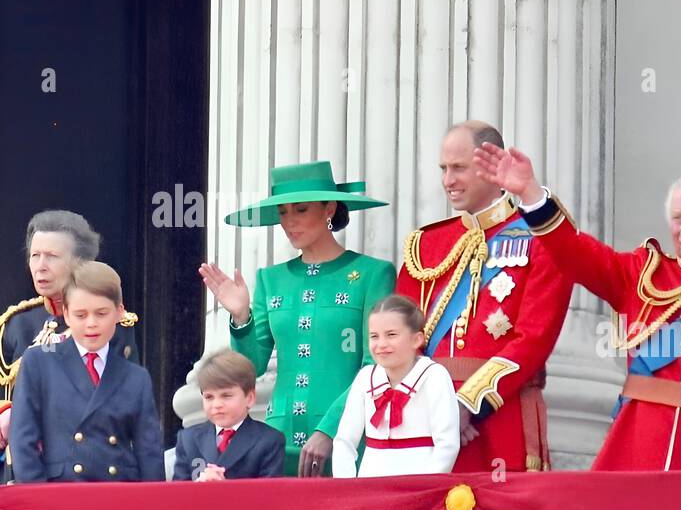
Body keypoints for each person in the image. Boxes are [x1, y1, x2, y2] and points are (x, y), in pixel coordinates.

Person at [474, 142, 681, 470]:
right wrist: (530, 194)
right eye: (677, 218)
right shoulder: (642, 272)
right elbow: (575, 252)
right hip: (634, 452)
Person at [395, 121, 572, 472]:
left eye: (459, 168)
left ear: (492, 166)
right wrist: (423, 404)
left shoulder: (542, 238)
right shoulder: (426, 246)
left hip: (498, 415)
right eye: (444, 169)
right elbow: (400, 333)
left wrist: (469, 403)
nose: (448, 181)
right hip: (428, 415)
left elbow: (534, 339)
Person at [200, 161, 396, 476]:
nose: (290, 222)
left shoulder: (373, 275)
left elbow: (376, 364)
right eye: (283, 212)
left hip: (349, 434)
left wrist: (330, 429)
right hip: (280, 437)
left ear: (329, 208)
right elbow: (252, 368)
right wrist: (241, 316)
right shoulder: (271, 279)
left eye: (301, 210)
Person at [0, 210, 140, 457]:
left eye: (52, 256)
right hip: (16, 469)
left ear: (80, 262)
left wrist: (22, 415)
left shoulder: (109, 322)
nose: (41, 266)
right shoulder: (16, 324)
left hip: (81, 464)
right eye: (35, 256)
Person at [8, 261, 163, 483]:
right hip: (60, 496)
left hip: (119, 498)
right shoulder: (39, 362)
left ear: (119, 313)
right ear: (67, 315)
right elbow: (23, 441)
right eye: (81, 315)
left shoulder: (136, 378)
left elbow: (150, 455)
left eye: (101, 313)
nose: (91, 324)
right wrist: (39, 501)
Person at [333, 295, 460, 477]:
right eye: (374, 336)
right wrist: (349, 487)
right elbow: (344, 441)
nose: (381, 344)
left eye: (391, 335)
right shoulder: (365, 378)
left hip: (418, 488)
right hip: (370, 488)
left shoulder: (434, 376)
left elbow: (447, 445)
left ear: (416, 339)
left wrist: (426, 489)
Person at [173, 348, 285, 481]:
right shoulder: (188, 440)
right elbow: (177, 494)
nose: (217, 404)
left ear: (249, 398)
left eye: (226, 396)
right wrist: (198, 486)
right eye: (209, 397)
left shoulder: (269, 440)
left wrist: (225, 489)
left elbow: (269, 496)